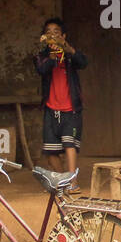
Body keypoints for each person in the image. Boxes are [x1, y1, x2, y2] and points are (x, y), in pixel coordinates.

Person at [34, 18, 88, 176]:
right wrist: (52, 56)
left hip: (71, 109)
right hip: (51, 110)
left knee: (70, 145)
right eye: (48, 32)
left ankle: (72, 182)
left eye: (56, 32)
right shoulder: (41, 56)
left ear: (64, 36)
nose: (52, 35)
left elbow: (83, 62)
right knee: (51, 154)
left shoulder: (71, 56)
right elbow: (42, 70)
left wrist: (67, 49)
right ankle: (63, 180)